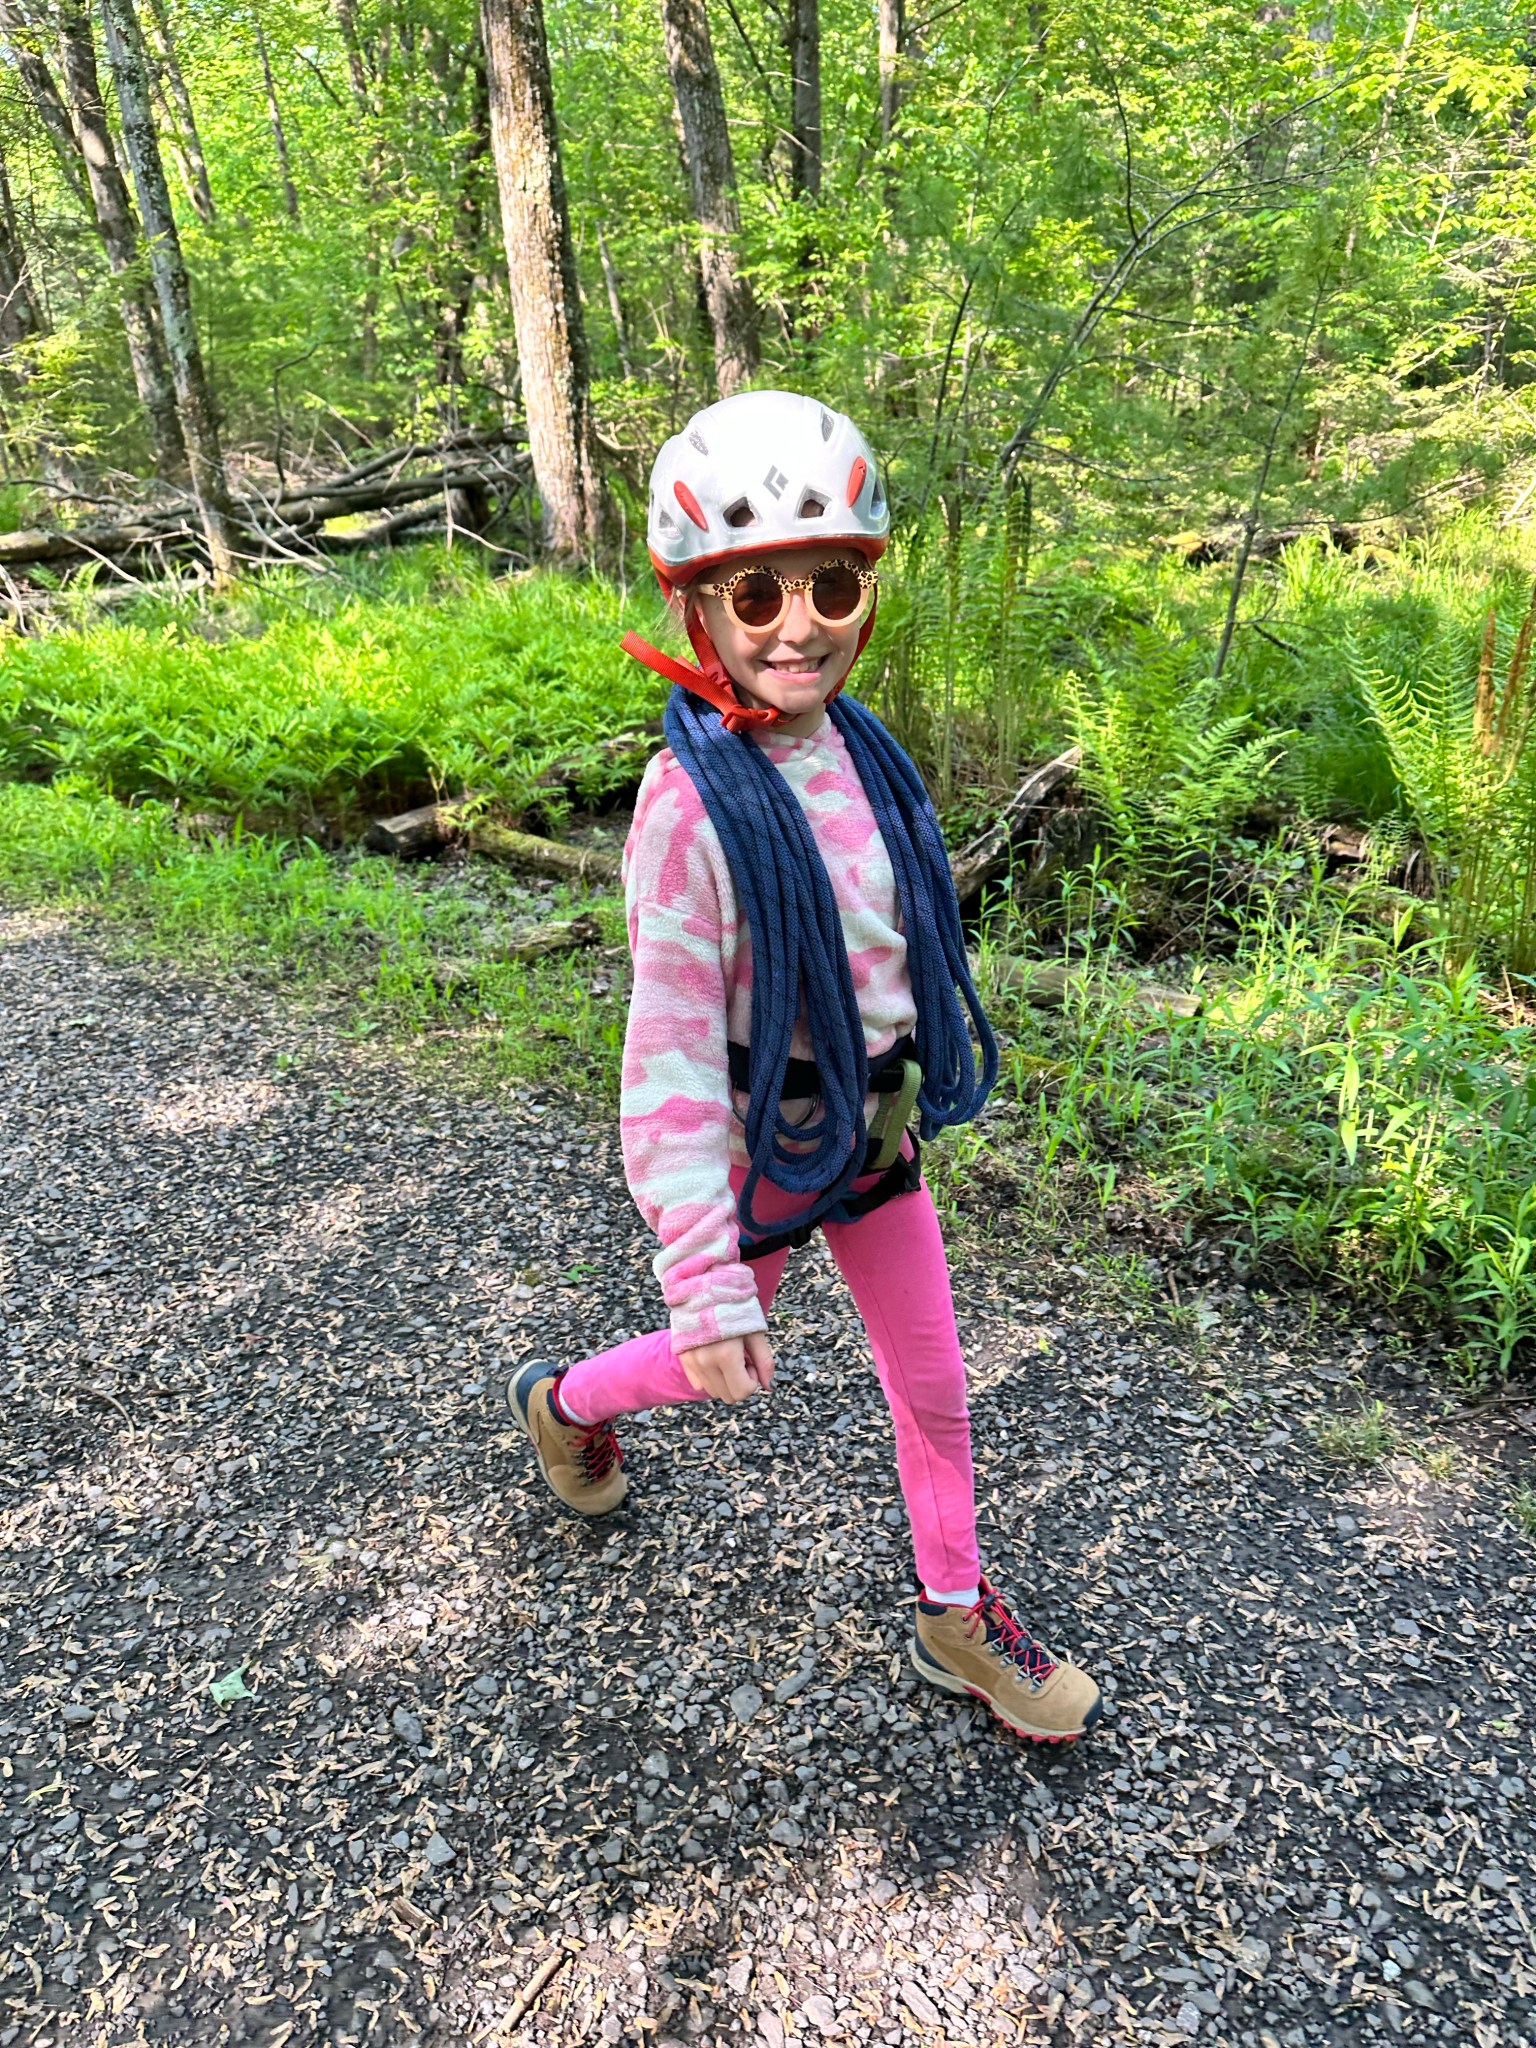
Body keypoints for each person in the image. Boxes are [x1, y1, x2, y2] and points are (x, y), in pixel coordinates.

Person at [508, 391, 1100, 1745]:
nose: (797, 625)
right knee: (709, 1357)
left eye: (830, 585)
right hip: (767, 1149)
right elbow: (665, 1054)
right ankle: (564, 1401)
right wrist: (704, 1276)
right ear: (696, 611)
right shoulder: (688, 812)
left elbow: (895, 948)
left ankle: (955, 1612)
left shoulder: (861, 751)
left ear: (864, 595)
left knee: (936, 1385)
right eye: (755, 592)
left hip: (875, 1139)